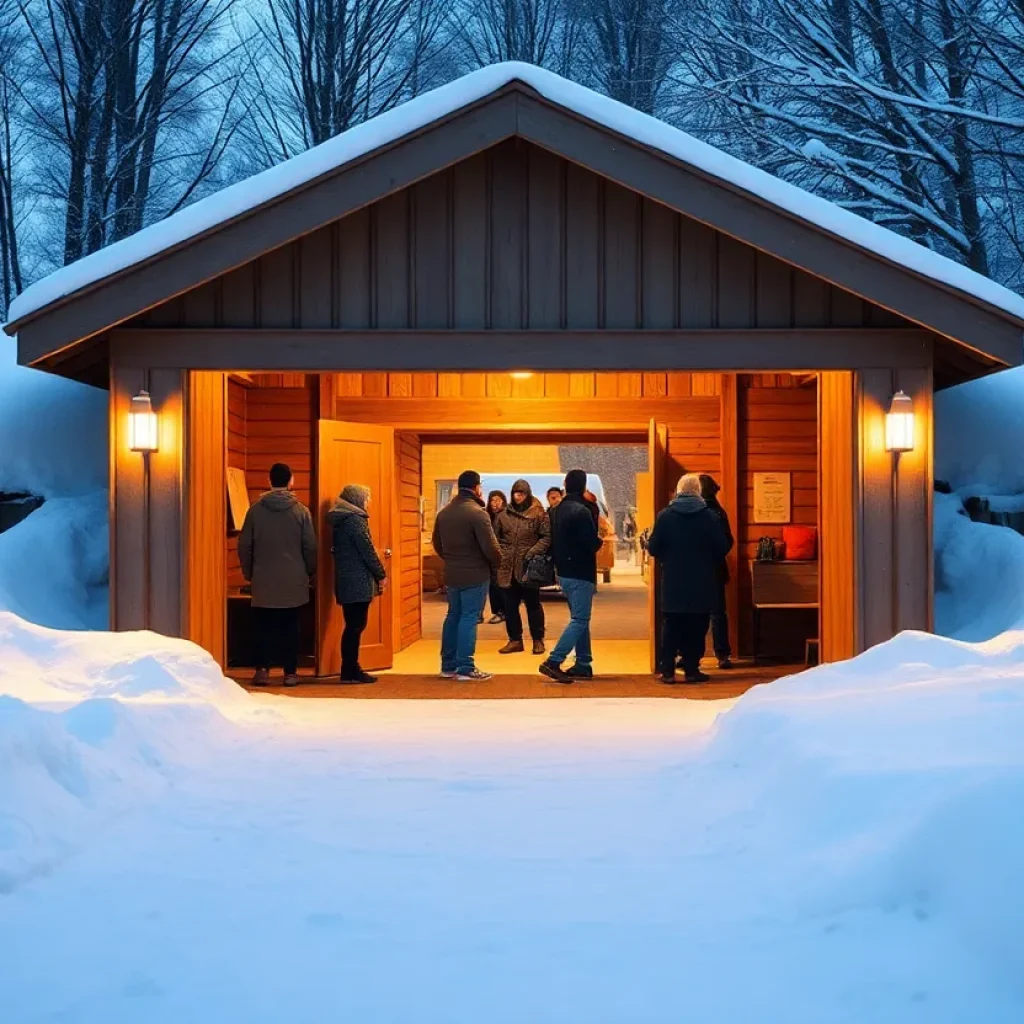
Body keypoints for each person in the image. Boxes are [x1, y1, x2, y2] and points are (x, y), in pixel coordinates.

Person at [237, 462, 317, 688]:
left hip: (263, 579)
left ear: (269, 481)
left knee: (263, 627)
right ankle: (290, 673)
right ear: (291, 481)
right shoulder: (301, 511)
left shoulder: (255, 510)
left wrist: (249, 572)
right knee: (290, 627)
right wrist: (309, 571)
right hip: (294, 579)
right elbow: (310, 546)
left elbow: (244, 546)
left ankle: (262, 671)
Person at [647, 473, 732, 684]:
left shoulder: (665, 516)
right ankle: (692, 669)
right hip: (702, 580)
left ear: (678, 490)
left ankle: (667, 670)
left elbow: (655, 547)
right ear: (698, 491)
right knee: (697, 625)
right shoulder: (710, 517)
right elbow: (722, 547)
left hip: (674, 579)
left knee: (672, 624)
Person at [432, 470, 501, 681]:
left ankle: (448, 666)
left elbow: (437, 544)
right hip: (475, 574)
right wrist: (497, 564)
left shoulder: (444, 513)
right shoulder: (477, 513)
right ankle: (465, 667)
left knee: (453, 616)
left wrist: (452, 559)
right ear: (476, 487)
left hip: (452, 573)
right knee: (469, 618)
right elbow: (490, 548)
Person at [540, 470, 603, 684]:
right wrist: (600, 541)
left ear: (565, 485)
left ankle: (583, 664)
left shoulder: (556, 510)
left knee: (579, 617)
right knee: (580, 619)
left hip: (563, 572)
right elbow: (590, 544)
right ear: (584, 487)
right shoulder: (582, 511)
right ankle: (554, 660)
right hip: (581, 571)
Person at [328, 484, 387, 684]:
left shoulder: (342, 520)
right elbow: (367, 551)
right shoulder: (355, 521)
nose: (368, 502)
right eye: (367, 498)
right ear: (357, 499)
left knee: (353, 625)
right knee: (355, 626)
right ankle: (350, 670)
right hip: (357, 580)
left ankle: (351, 668)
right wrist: (381, 573)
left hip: (347, 579)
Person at [494, 478, 551, 655]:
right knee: (510, 606)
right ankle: (515, 640)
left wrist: (532, 551)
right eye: (515, 494)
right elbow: (494, 538)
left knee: (533, 605)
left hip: (528, 567)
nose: (518, 497)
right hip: (507, 567)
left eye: (521, 494)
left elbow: (547, 537)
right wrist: (501, 554)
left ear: (528, 494)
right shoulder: (503, 515)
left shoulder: (538, 514)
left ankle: (538, 640)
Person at [699, 474, 735, 669]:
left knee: (694, 613)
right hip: (716, 568)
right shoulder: (719, 513)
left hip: (696, 570)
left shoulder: (695, 511)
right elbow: (728, 541)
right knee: (718, 613)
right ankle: (722, 654)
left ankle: (691, 655)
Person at [486, 490, 508, 624]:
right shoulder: (486, 516)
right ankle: (498, 611)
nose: (495, 503)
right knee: (493, 585)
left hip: (503, 555)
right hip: (490, 556)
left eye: (498, 500)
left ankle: (504, 611)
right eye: (493, 500)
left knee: (501, 585)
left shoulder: (506, 516)